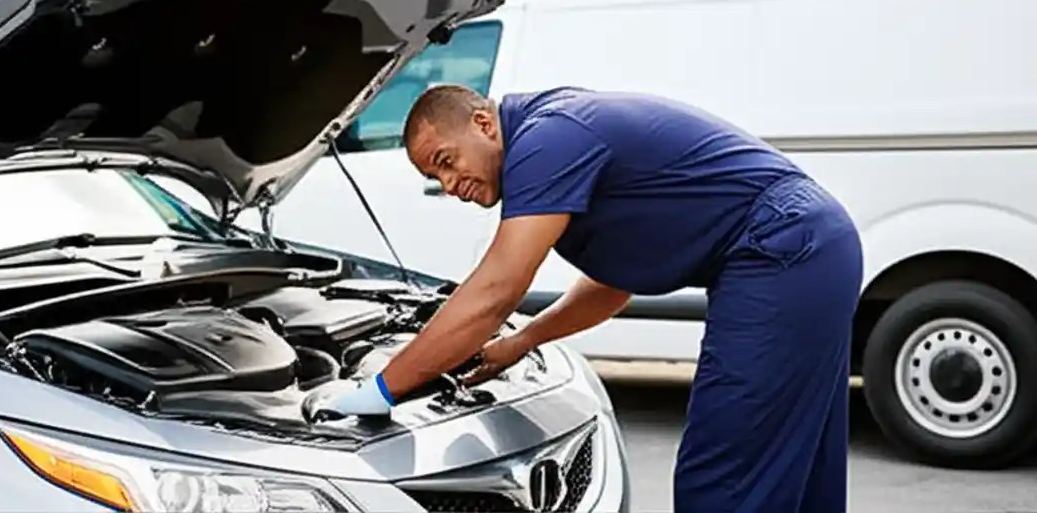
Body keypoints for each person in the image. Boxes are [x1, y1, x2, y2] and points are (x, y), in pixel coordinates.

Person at [314, 84, 863, 513]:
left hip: (784, 249)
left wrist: (384, 388)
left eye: (446, 159)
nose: (449, 183)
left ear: (484, 124)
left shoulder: (547, 140)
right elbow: (611, 286)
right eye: (435, 176)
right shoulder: (553, 141)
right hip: (811, 248)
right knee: (798, 469)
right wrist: (522, 342)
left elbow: (495, 289)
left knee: (723, 478)